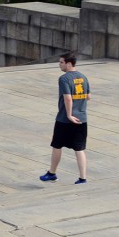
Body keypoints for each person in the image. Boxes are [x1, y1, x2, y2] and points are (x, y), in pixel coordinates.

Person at [40, 51, 91, 185]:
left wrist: (69, 114)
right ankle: (82, 178)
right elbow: (88, 96)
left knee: (57, 145)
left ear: (69, 64)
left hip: (64, 119)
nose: (59, 65)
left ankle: (52, 173)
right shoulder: (83, 77)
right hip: (81, 119)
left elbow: (67, 98)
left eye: (61, 62)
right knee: (79, 148)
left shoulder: (64, 78)